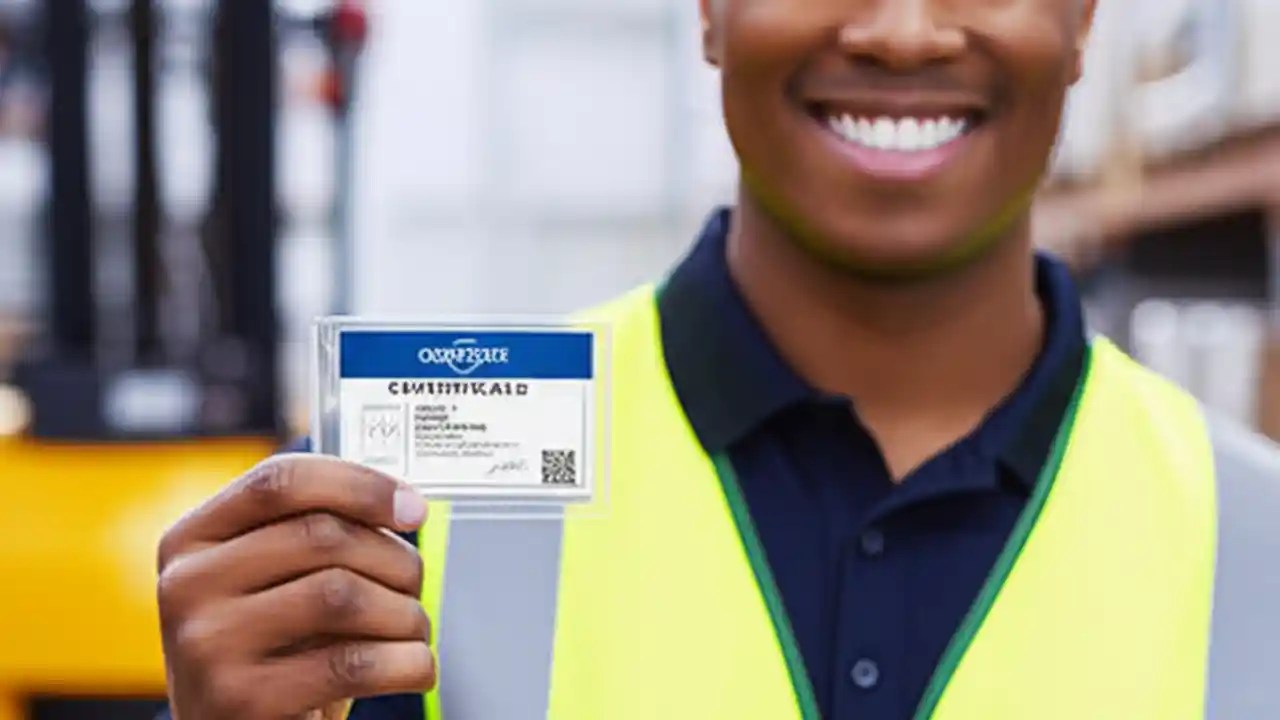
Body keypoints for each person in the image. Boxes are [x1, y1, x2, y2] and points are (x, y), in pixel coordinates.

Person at [156, 0, 1280, 718]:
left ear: (1082, 19)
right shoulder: (435, 454)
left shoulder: (1257, 539)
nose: (901, 30)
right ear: (707, 9)